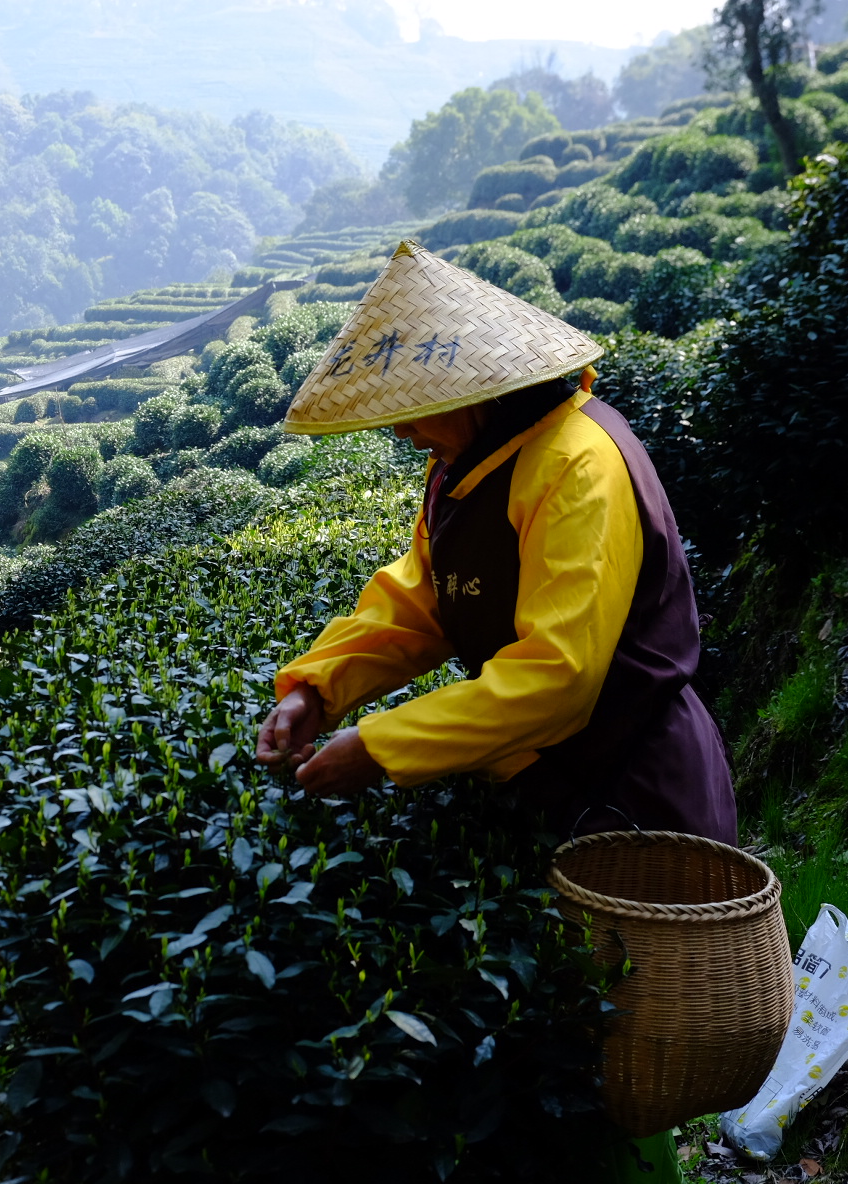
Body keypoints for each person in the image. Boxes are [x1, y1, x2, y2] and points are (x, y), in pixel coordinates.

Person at [255, 240, 735, 1181]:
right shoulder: (473, 467)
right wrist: (316, 687)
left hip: (631, 784)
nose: (401, 436)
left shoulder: (576, 464)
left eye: (413, 415)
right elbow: (422, 600)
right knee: (572, 1049)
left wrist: (381, 747)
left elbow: (560, 675)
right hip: (546, 785)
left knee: (635, 1061)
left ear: (473, 394)